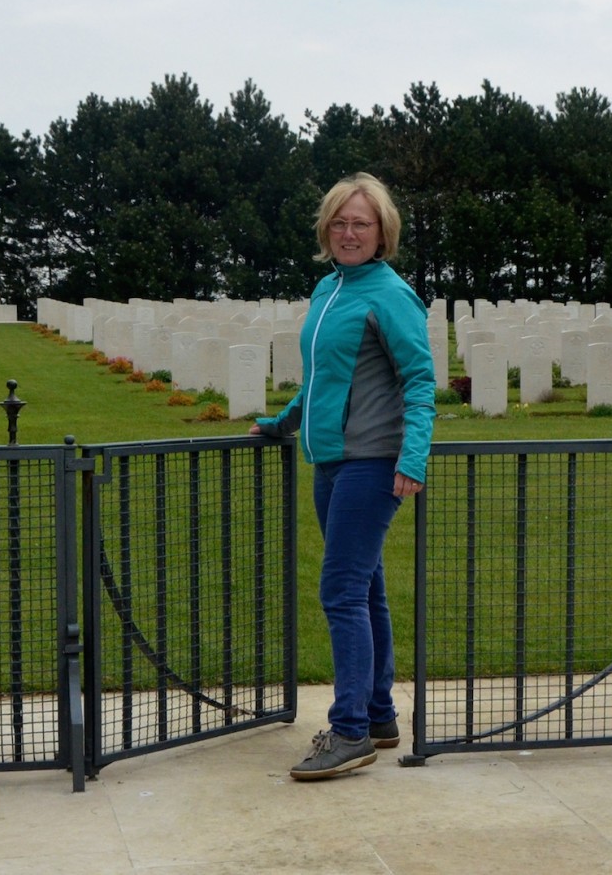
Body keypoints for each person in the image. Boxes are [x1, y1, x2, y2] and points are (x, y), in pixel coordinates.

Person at [249, 173, 435, 781]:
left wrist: (412, 458)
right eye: (340, 222)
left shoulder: (389, 294)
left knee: (342, 591)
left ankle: (349, 730)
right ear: (327, 229)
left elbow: (420, 380)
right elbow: (320, 379)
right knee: (367, 588)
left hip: (371, 460)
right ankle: (379, 716)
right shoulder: (329, 288)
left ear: (382, 232)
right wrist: (280, 424)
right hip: (328, 460)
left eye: (361, 223)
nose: (349, 232)